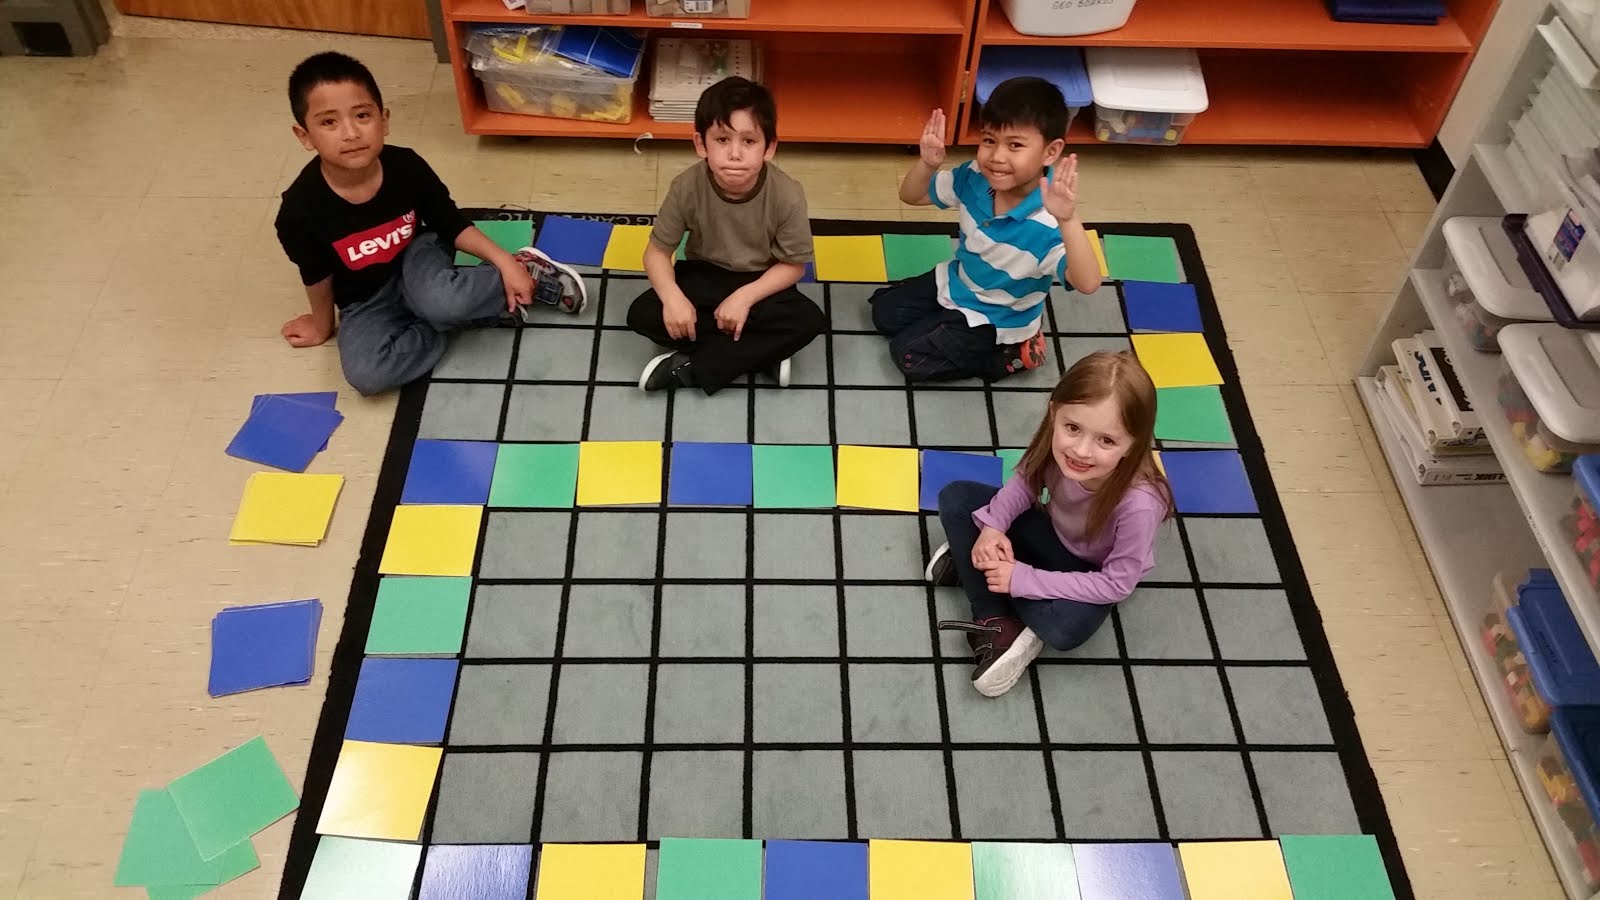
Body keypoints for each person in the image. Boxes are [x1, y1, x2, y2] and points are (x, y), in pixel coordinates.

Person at [273, 51, 585, 396]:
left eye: (362, 115)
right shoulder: (299, 211)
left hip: (417, 259)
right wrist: (321, 326)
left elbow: (451, 224)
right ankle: (457, 317)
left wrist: (505, 262)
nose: (350, 133)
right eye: (329, 122)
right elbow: (316, 276)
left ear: (384, 120)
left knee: (441, 300)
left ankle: (525, 274)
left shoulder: (406, 166)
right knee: (367, 376)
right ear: (304, 136)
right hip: (364, 299)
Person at [929, 351, 1174, 698]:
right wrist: (994, 527)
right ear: (1054, 411)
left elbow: (1117, 585)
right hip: (1052, 536)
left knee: (1065, 629)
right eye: (1073, 428)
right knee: (956, 497)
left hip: (1089, 574)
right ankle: (996, 616)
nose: (1082, 451)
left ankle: (981, 575)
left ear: (1134, 444)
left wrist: (1023, 579)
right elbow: (1025, 482)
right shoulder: (1053, 443)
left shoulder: (1139, 504)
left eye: (1107, 440)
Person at [875, 77, 1103, 383]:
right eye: (989, 140)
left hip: (998, 317)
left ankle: (1012, 354)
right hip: (958, 282)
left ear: (1051, 152)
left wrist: (1068, 220)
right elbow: (911, 196)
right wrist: (927, 164)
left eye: (1015, 145)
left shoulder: (1048, 222)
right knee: (883, 313)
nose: (997, 157)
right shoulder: (974, 177)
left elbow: (1088, 283)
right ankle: (945, 325)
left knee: (908, 355)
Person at [628, 75, 825, 395]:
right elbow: (657, 253)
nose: (735, 154)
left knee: (809, 321)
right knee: (642, 314)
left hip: (761, 282)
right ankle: (761, 352)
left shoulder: (787, 194)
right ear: (700, 144)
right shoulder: (686, 186)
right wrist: (673, 298)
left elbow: (793, 266)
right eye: (722, 140)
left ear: (769, 148)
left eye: (749, 141)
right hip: (704, 276)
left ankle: (695, 367)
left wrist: (744, 298)